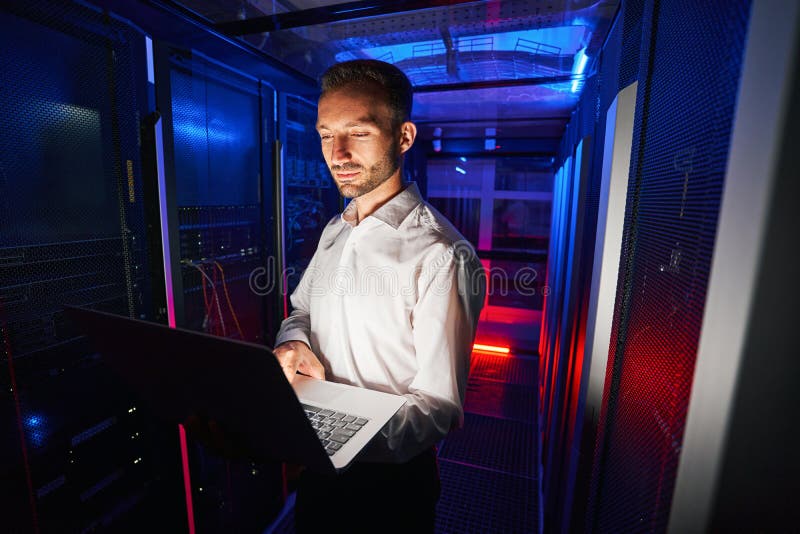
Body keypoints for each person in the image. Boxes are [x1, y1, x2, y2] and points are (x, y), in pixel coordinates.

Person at [273, 59, 486, 532]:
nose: (338, 153)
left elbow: (437, 408)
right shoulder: (336, 228)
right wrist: (295, 342)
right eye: (327, 134)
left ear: (404, 137)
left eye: (359, 133)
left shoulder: (442, 254)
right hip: (318, 475)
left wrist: (326, 439)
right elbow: (302, 308)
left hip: (390, 490)